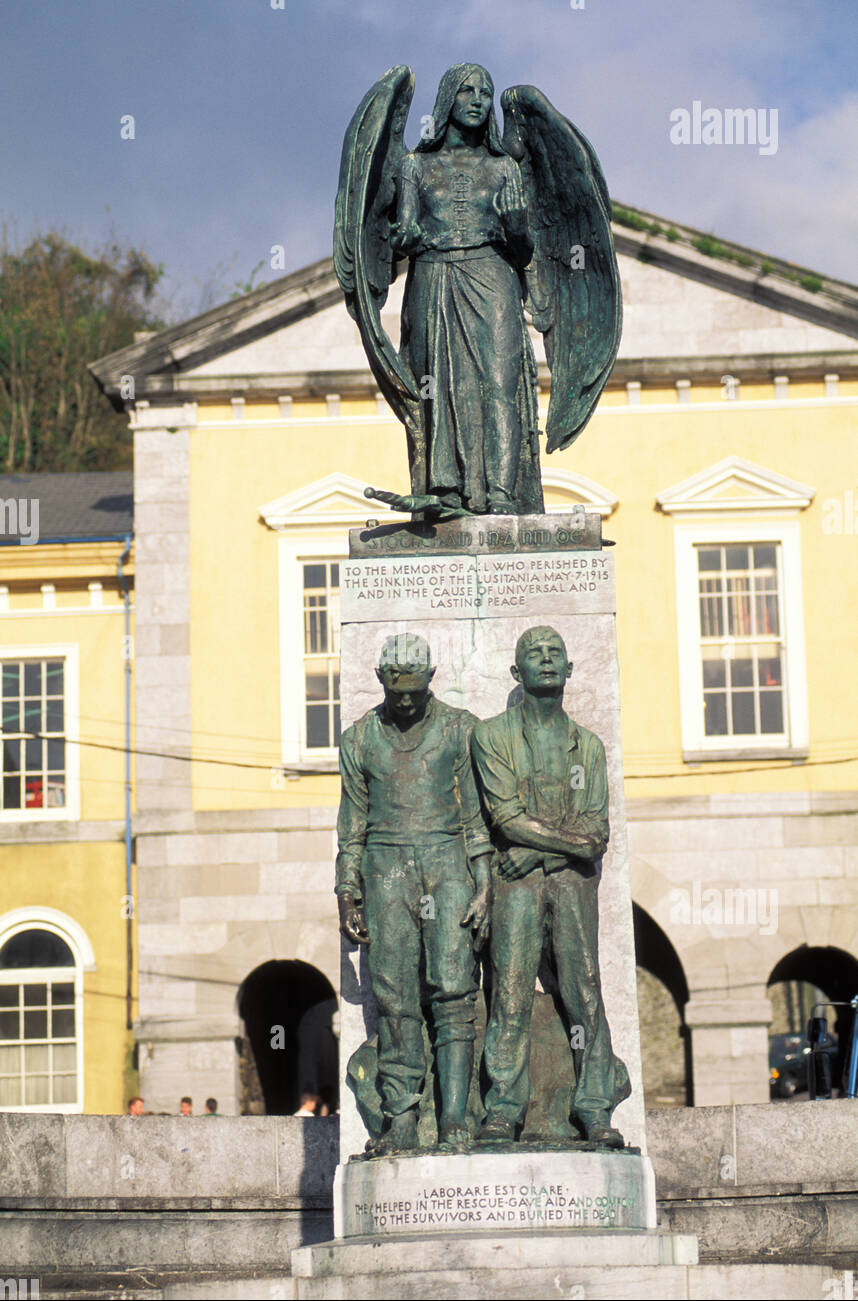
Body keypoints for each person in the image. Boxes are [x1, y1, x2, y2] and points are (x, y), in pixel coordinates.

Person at [471, 626, 628, 1147]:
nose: (545, 659)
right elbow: (505, 817)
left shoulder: (588, 746)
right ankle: (503, 1107)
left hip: (567, 884)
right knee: (510, 992)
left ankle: (595, 1105)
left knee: (584, 991)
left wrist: (538, 851)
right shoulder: (491, 736)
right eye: (533, 654)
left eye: (554, 652)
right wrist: (554, 844)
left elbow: (594, 837)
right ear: (516, 672)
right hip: (514, 887)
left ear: (569, 669)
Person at [336, 633, 492, 1152]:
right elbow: (352, 822)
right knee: (395, 994)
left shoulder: (459, 730)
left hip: (446, 862)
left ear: (431, 681)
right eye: (397, 691)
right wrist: (346, 889)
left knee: (453, 991)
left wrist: (484, 881)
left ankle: (453, 1117)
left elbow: (474, 816)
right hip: (385, 867)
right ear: (381, 680)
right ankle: (401, 1115)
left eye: (415, 691)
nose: (405, 701)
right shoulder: (359, 739)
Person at [391, 63, 541, 514]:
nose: (477, 100)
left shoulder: (505, 169)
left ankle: (501, 494)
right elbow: (404, 233)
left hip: (492, 274)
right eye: (467, 91)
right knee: (440, 387)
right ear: (447, 101)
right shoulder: (415, 166)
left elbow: (523, 250)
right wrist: (405, 236)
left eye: (485, 93)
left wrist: (517, 227)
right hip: (434, 279)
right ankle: (446, 490)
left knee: (500, 381)